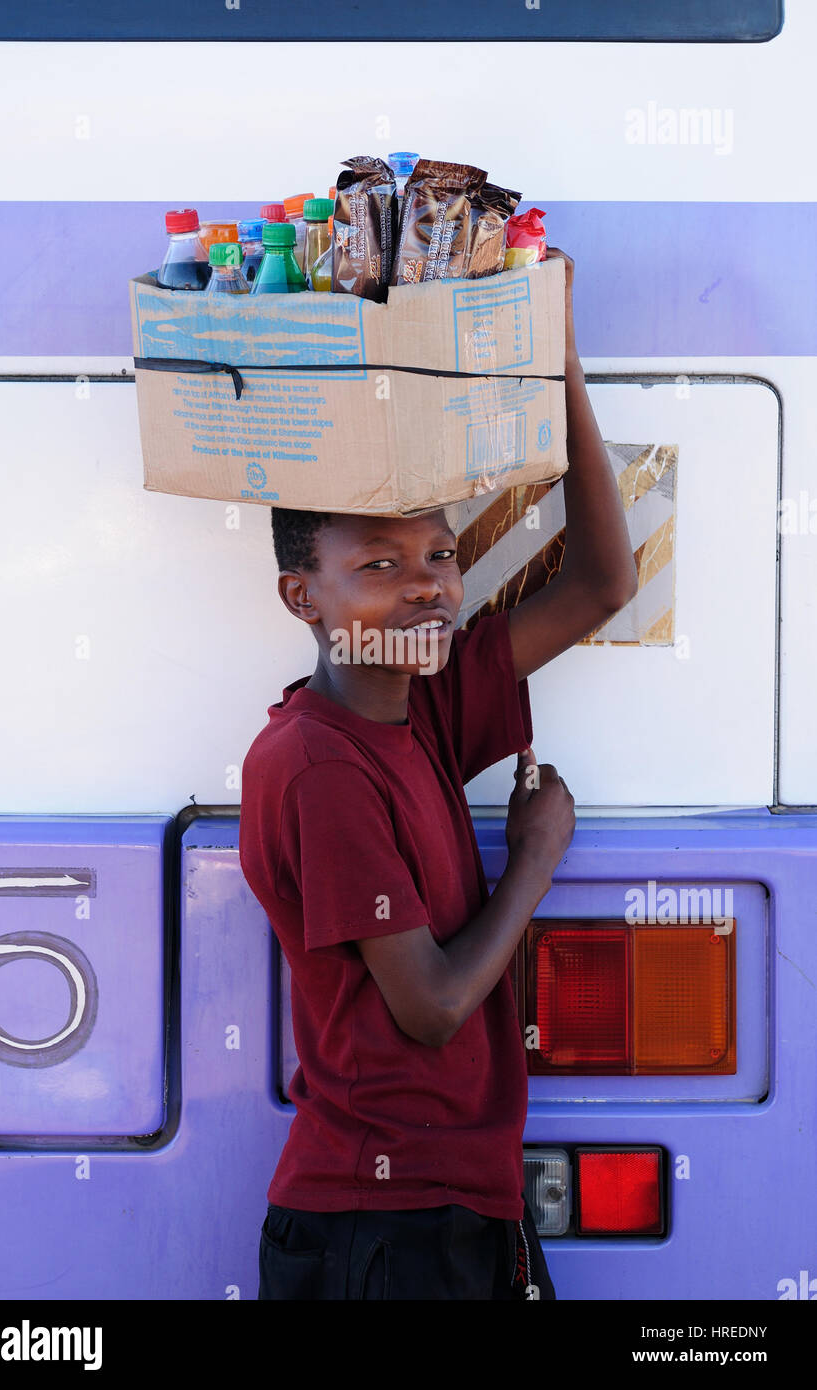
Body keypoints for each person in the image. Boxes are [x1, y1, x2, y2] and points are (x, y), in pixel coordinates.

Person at [239, 248, 638, 1300]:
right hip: (379, 1228)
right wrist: (534, 862)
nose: (427, 591)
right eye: (378, 566)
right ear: (302, 597)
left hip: (451, 1201)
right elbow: (430, 1007)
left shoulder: (419, 702)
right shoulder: (314, 764)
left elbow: (601, 583)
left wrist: (559, 366)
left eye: (438, 557)